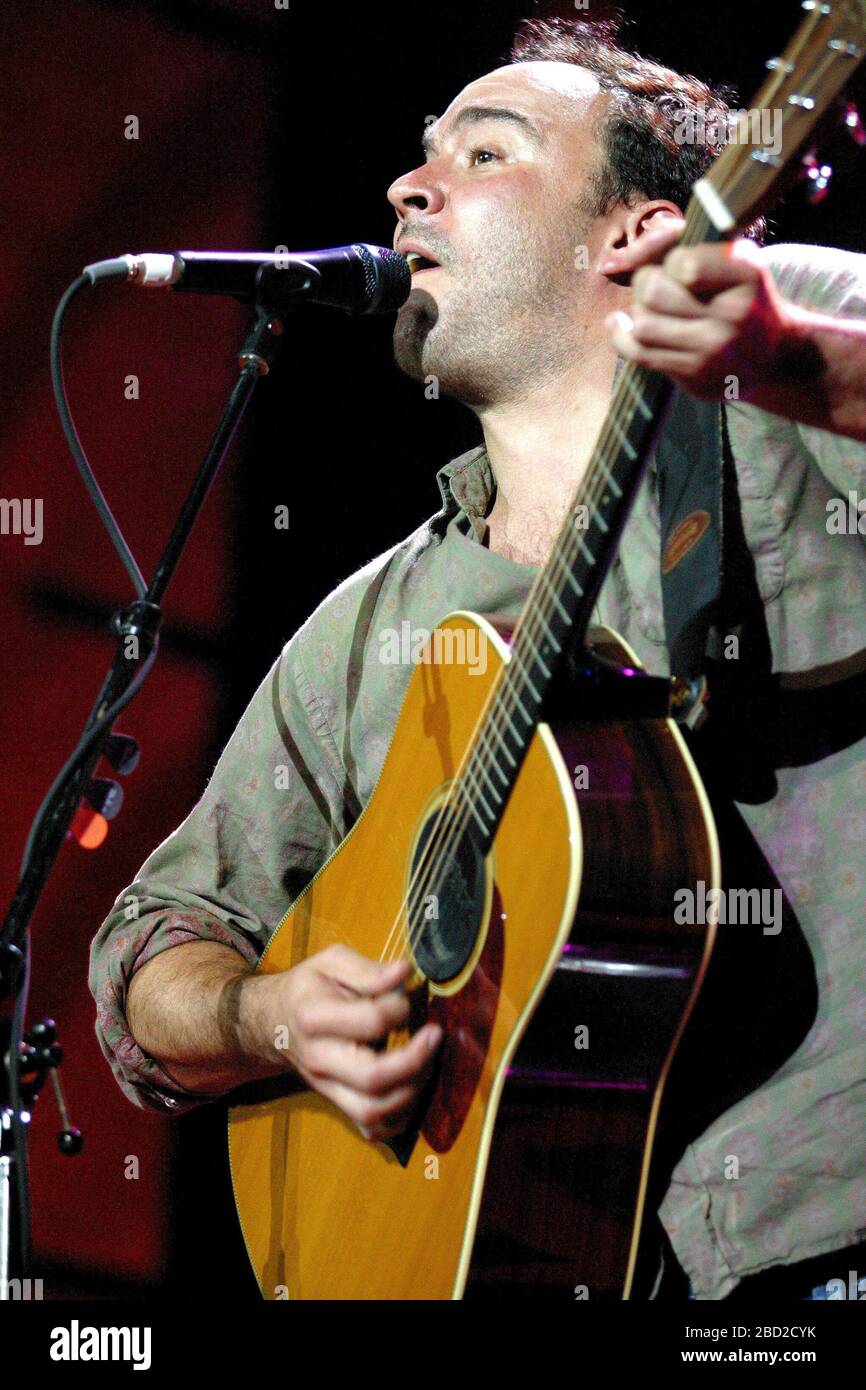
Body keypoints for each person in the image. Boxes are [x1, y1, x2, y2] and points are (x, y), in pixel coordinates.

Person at [89, 17, 866, 1300]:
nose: (406, 186)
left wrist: (789, 360)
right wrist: (269, 1016)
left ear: (627, 232)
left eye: (484, 151)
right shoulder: (369, 623)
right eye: (418, 155)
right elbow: (152, 947)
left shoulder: (802, 321)